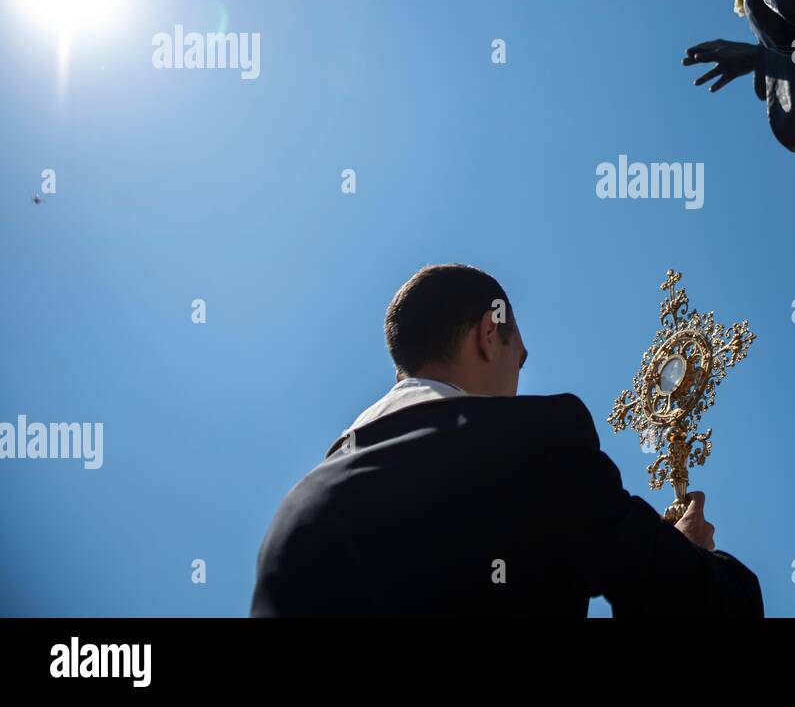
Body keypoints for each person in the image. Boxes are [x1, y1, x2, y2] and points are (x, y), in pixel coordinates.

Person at [250, 263, 763, 617]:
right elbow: (696, 604)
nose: (519, 379)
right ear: (487, 334)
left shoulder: (294, 509)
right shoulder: (536, 444)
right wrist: (691, 558)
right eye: (519, 358)